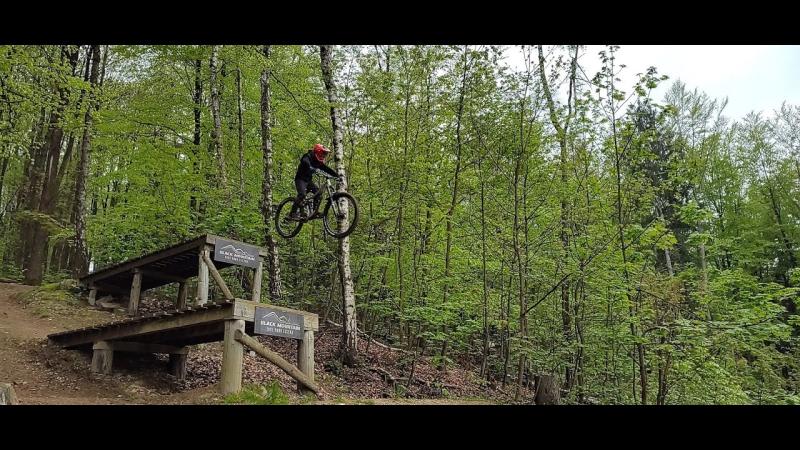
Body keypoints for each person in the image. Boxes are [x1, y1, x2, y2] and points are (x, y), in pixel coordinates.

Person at [288, 143, 340, 220]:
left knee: (318, 193)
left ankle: (314, 212)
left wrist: (336, 176)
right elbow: (305, 161)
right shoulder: (308, 156)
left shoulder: (318, 161)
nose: (324, 156)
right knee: (302, 195)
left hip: (308, 181)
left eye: (325, 154)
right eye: (323, 153)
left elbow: (326, 169)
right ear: (318, 152)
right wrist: (310, 167)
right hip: (300, 179)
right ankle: (292, 214)